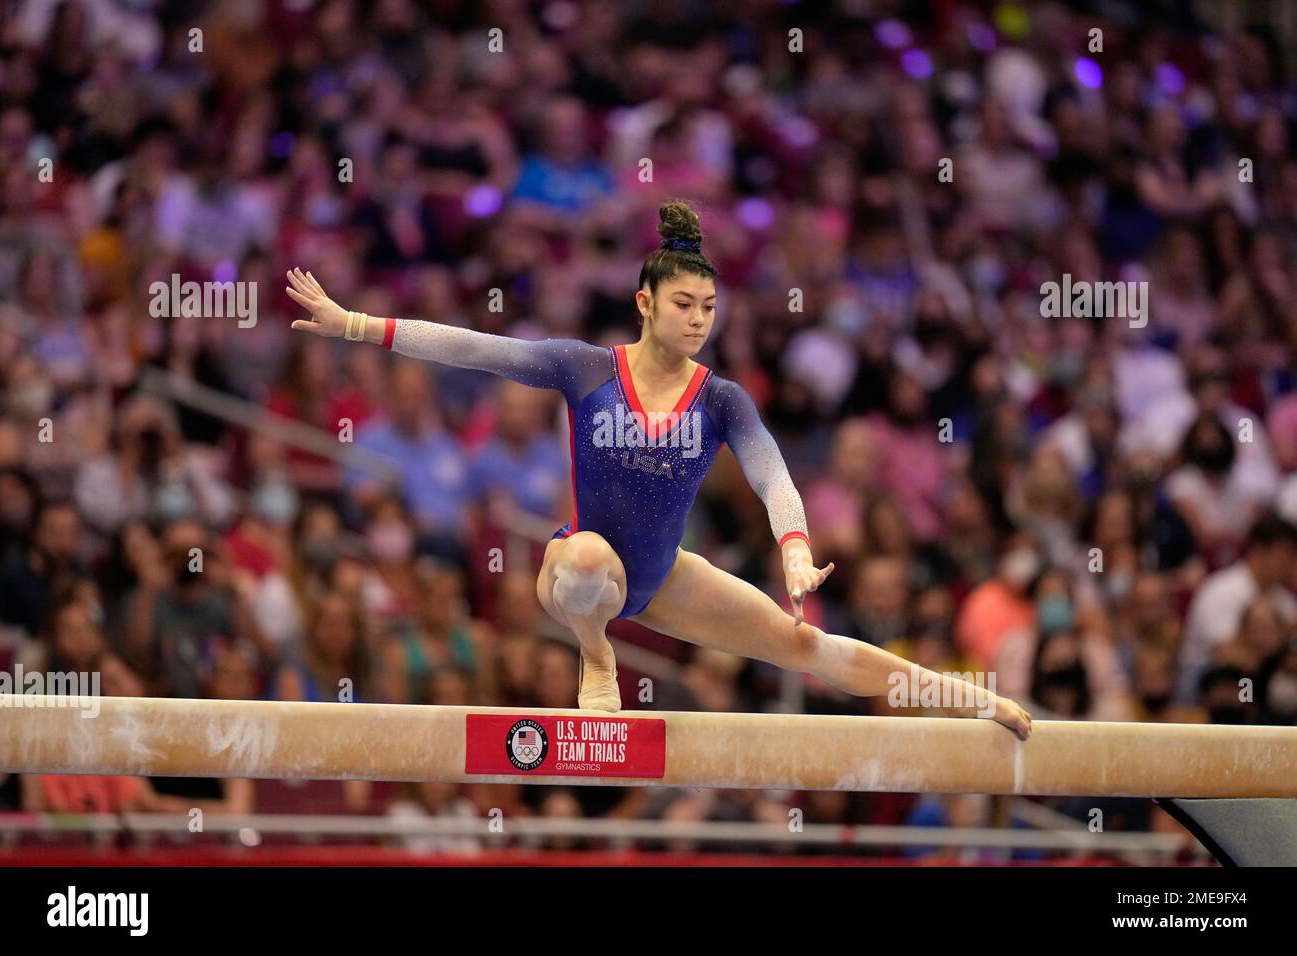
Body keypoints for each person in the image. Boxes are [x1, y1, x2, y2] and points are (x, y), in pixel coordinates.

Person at [286, 200, 1033, 738]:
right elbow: (473, 347)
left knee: (803, 646)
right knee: (586, 557)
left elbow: (773, 474)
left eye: (710, 306)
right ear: (645, 302)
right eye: (685, 303)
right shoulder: (581, 369)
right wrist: (353, 323)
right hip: (574, 574)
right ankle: (597, 655)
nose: (701, 319)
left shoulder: (722, 400)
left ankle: (966, 700)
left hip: (663, 576)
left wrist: (795, 549)